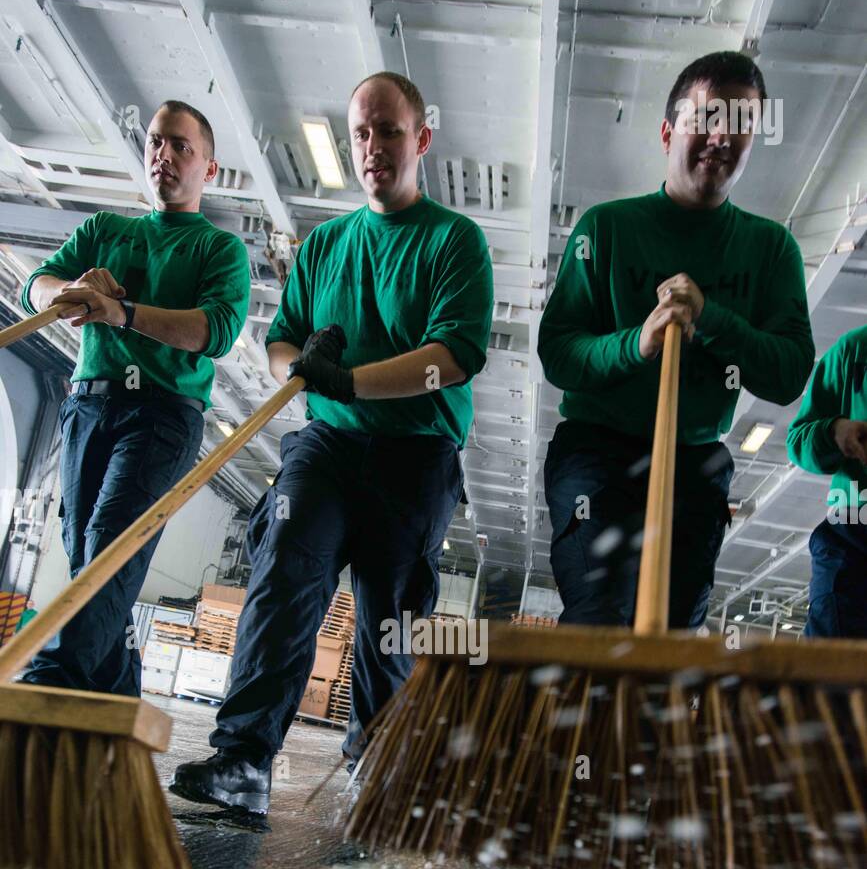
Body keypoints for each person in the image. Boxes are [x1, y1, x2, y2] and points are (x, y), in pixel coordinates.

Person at [171, 71, 494, 817]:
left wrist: (343, 380)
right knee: (284, 571)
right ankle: (244, 760)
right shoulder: (324, 246)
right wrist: (302, 368)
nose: (373, 146)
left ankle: (376, 769)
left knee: (388, 619)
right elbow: (281, 346)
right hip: (327, 446)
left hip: (417, 453)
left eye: (388, 131)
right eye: (360, 133)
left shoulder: (454, 241)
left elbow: (452, 356)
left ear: (422, 139)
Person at [538, 51, 815, 629]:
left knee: (674, 634)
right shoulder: (606, 228)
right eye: (706, 118)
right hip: (597, 452)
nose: (720, 136)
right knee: (600, 617)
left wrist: (712, 319)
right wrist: (635, 343)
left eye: (739, 123)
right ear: (668, 132)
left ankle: (653, 721)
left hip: (695, 459)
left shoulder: (772, 250)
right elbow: (559, 353)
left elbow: (788, 373)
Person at [18, 100, 250, 696]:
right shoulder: (103, 231)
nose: (163, 156)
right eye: (154, 142)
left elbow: (214, 332)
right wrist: (69, 290)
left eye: (181, 147)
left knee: (109, 547)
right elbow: (33, 287)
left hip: (162, 416)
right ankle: (118, 704)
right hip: (87, 405)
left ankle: (53, 680)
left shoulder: (219, 251)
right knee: (85, 555)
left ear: (210, 169)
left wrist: (119, 313)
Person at [787, 328, 867, 639]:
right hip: (853, 536)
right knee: (830, 670)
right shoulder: (855, 351)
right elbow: (798, 438)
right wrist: (835, 431)